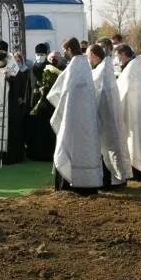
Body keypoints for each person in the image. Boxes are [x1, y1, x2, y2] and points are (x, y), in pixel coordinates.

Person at [47, 38, 102, 194]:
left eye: (64, 50)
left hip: (73, 118)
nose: (63, 53)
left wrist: (59, 111)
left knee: (70, 147)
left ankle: (70, 183)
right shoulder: (84, 65)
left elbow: (65, 95)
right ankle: (86, 184)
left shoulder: (74, 67)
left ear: (70, 50)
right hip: (86, 118)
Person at [90, 43, 130, 187]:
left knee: (110, 147)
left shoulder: (102, 69)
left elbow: (95, 88)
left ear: (94, 56)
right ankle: (112, 178)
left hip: (106, 114)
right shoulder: (102, 68)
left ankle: (116, 179)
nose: (88, 59)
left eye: (89, 56)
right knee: (107, 147)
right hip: (105, 113)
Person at [115, 44, 141, 179]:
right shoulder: (132, 66)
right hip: (134, 108)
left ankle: (139, 171)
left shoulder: (131, 68)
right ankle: (136, 169)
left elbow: (125, 89)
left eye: (118, 56)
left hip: (134, 110)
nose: (118, 60)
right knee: (133, 142)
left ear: (123, 54)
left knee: (136, 141)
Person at [27, 51, 60, 162]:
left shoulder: (50, 68)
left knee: (46, 128)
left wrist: (45, 89)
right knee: (35, 127)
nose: (40, 57)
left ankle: (48, 153)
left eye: (42, 54)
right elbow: (28, 86)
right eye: (38, 54)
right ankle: (34, 153)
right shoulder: (31, 69)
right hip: (34, 101)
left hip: (47, 103)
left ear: (46, 55)